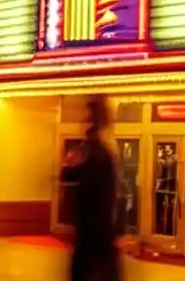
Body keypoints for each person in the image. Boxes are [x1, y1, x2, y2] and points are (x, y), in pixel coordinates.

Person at [61, 95, 120, 281]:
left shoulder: (97, 155)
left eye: (87, 118)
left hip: (93, 240)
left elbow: (97, 199)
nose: (82, 122)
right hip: (93, 239)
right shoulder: (96, 153)